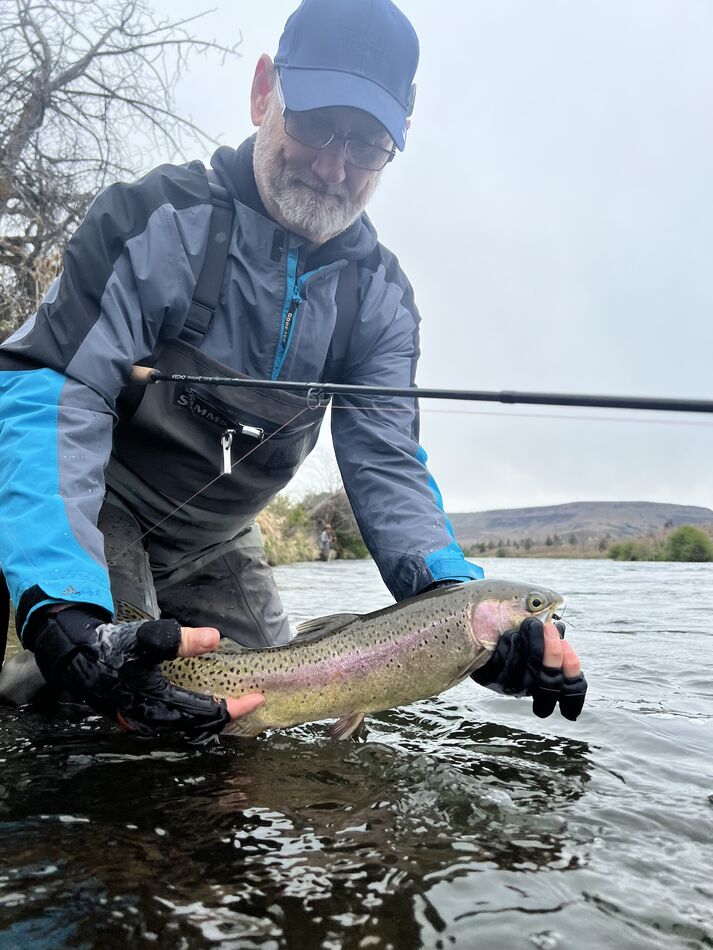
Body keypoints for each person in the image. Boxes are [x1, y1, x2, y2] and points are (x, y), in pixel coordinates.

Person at [0, 0, 586, 738]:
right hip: (99, 510)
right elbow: (53, 391)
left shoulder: (378, 298)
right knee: (92, 702)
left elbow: (388, 465)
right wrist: (63, 604)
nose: (334, 166)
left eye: (368, 145)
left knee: (269, 720)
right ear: (262, 92)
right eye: (315, 124)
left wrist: (458, 609)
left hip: (222, 537)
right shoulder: (148, 220)